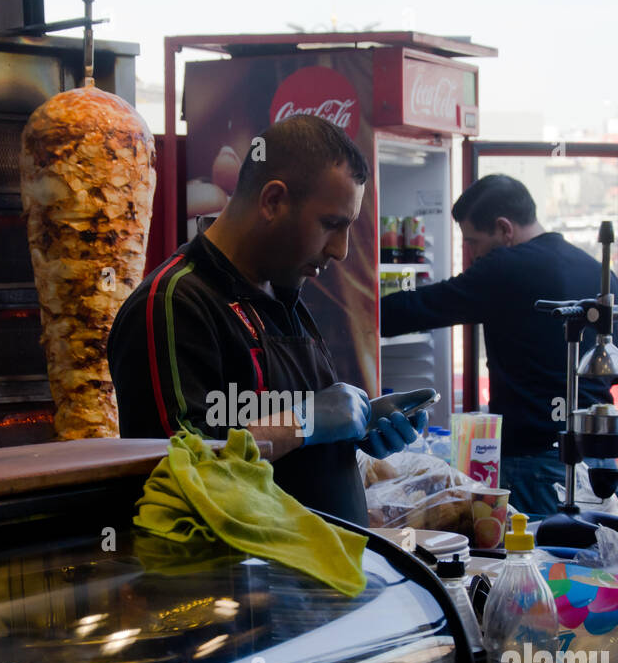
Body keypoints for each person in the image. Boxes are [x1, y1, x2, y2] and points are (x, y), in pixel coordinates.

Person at [108, 115, 425, 526]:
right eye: (332, 225)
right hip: (240, 583)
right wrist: (305, 422)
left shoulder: (284, 296)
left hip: (318, 578)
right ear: (273, 201)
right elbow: (178, 464)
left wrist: (358, 427)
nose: (342, 250)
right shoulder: (172, 302)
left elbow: (284, 435)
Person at [380, 174, 618, 515]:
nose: (471, 255)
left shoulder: (504, 268)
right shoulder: (598, 271)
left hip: (533, 464)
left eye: (472, 242)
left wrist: (347, 301)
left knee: (537, 560)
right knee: (588, 563)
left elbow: (417, 309)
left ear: (505, 229)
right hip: (598, 463)